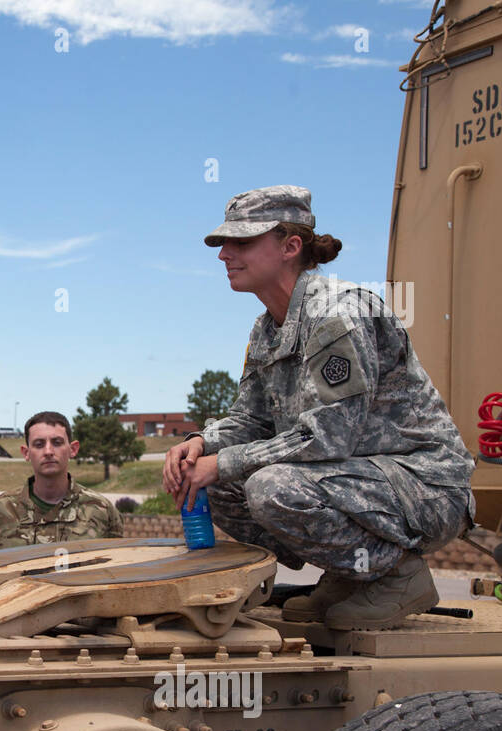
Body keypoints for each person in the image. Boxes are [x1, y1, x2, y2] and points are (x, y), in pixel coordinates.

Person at [163, 185, 474, 630]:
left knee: (270, 487)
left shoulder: (336, 314)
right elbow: (252, 419)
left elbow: (328, 436)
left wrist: (224, 461)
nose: (224, 254)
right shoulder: (268, 325)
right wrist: (200, 443)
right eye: (223, 243)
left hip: (424, 485)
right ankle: (351, 574)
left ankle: (397, 575)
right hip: (356, 479)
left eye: (243, 242)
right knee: (212, 486)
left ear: (291, 247)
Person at [0, 410, 122, 550]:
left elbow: (118, 569)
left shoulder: (101, 510)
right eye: (39, 444)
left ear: (73, 449)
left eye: (57, 442)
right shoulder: (3, 509)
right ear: (26, 453)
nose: (48, 451)